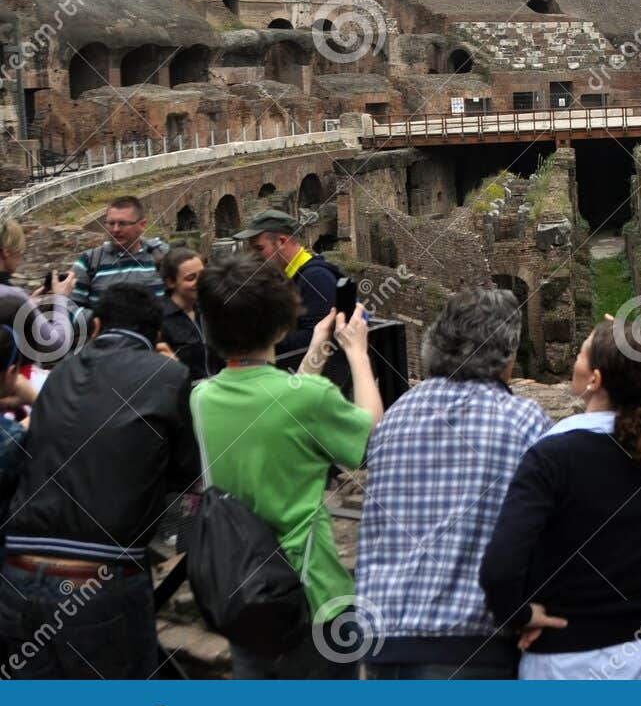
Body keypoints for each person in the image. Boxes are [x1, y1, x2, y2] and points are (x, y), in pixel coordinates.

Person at [362, 289, 628, 679]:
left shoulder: (397, 415)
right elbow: (556, 531)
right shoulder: (521, 420)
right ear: (507, 357)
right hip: (471, 646)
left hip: (383, 642)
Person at [480, 317, 641, 679]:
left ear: (595, 380)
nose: (574, 362)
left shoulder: (549, 457)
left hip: (561, 661)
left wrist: (519, 615)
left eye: (582, 355)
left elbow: (499, 568)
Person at [191, 254, 381, 679]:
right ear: (281, 325)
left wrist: (314, 351)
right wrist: (358, 354)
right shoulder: (307, 400)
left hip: (242, 591)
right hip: (311, 592)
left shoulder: (201, 397)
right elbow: (369, 436)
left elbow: (275, 400)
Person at [0, 285, 197, 679]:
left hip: (17, 573)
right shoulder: (168, 375)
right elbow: (187, 473)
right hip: (98, 579)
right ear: (156, 335)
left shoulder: (59, 374)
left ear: (96, 326)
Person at [233, 209, 343, 365]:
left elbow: (315, 339)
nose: (254, 257)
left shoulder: (316, 278)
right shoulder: (284, 276)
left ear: (282, 242)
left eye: (259, 249)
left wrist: (259, 337)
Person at [67, 196, 168, 316]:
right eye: (111, 223)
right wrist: (98, 323)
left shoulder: (163, 255)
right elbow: (69, 310)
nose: (115, 229)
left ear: (142, 225)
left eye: (122, 224)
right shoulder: (89, 261)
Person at [0, 219, 75, 360]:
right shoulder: (14, 296)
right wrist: (60, 298)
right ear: (6, 253)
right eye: (20, 252)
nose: (20, 259)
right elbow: (57, 344)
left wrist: (29, 303)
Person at [158, 247, 216, 384]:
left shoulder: (210, 308)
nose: (199, 282)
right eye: (191, 278)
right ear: (171, 282)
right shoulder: (160, 319)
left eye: (202, 276)